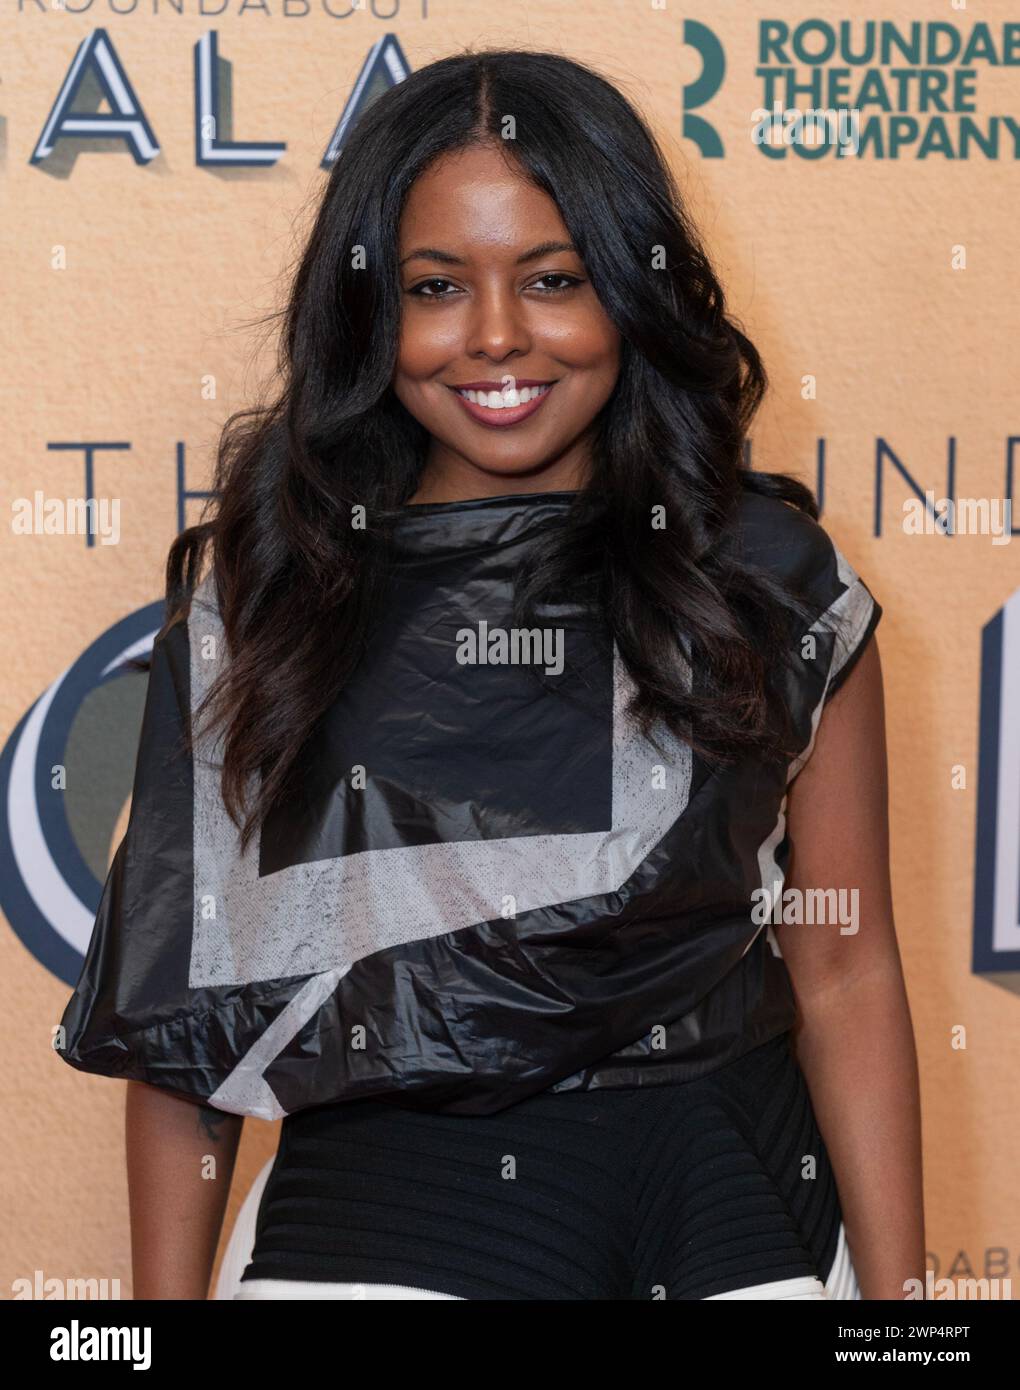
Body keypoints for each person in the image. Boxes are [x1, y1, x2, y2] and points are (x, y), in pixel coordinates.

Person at [58, 47, 924, 1301]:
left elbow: (845, 962)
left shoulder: (767, 578)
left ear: (631, 287)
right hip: (390, 1226)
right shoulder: (273, 602)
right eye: (435, 286)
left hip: (736, 1207)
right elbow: (191, 1036)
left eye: (554, 278)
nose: (498, 336)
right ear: (368, 309)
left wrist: (904, 1317)